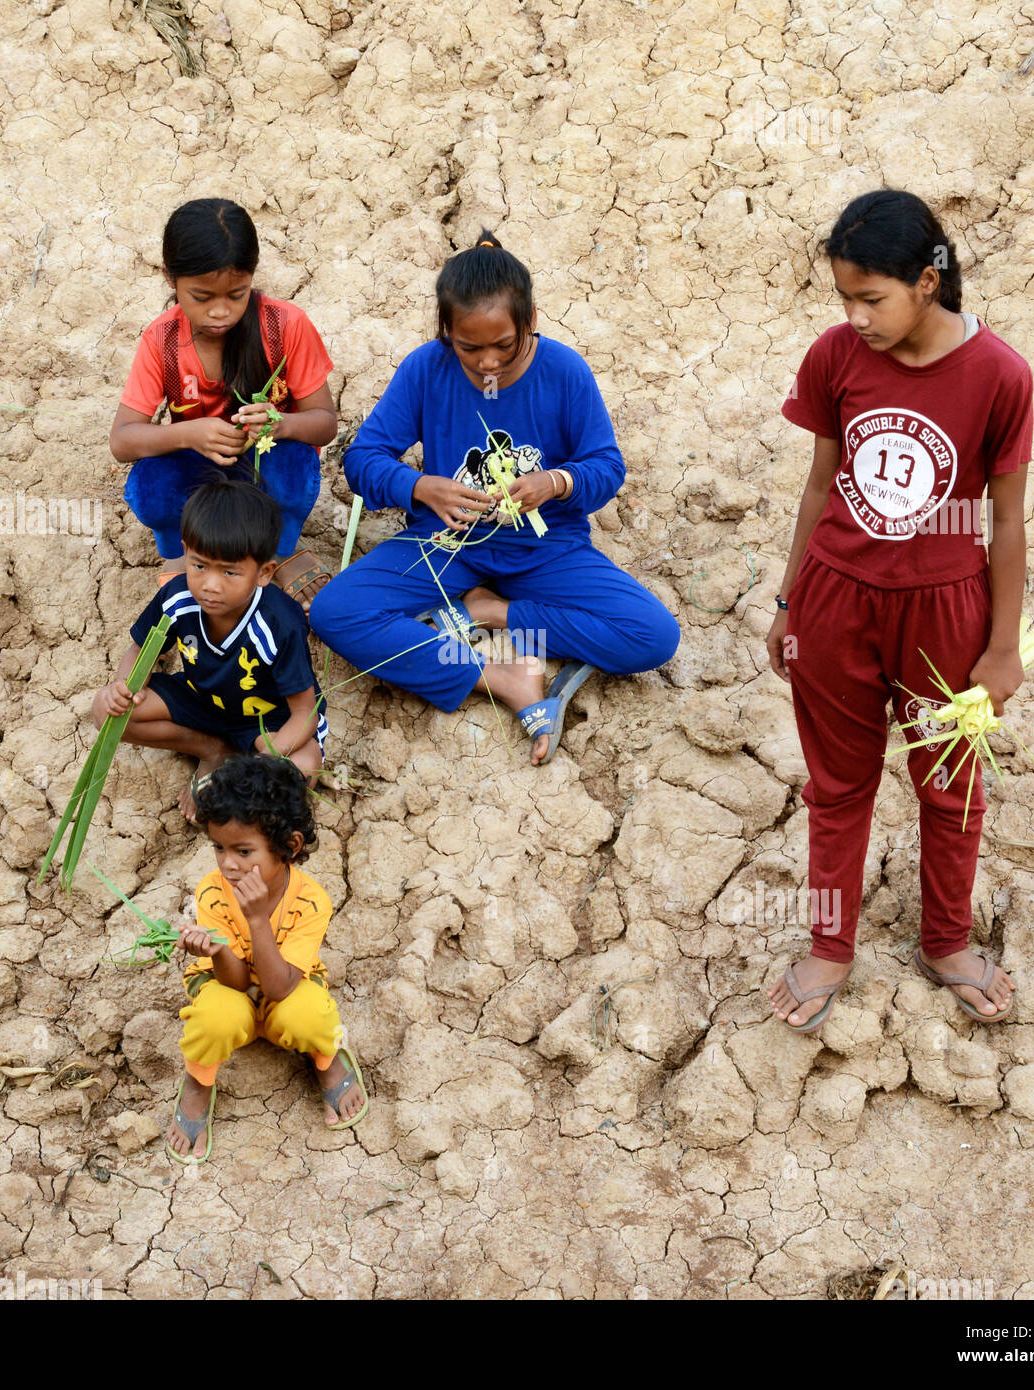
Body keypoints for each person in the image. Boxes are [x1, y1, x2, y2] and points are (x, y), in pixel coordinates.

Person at [766, 189, 1032, 1032]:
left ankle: (946, 940)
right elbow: (820, 484)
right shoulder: (835, 357)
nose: (856, 315)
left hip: (947, 613)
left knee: (949, 786)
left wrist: (1000, 647)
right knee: (836, 786)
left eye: (871, 297)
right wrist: (788, 599)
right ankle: (830, 944)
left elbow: (1008, 518)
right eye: (843, 297)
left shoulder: (999, 375)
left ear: (928, 281)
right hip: (835, 601)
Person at [309, 230, 680, 765]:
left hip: (548, 551)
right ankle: (495, 675)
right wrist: (418, 486)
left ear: (530, 321)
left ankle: (491, 611)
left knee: (651, 636)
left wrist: (553, 483)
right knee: (337, 613)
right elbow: (362, 460)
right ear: (445, 333)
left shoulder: (564, 371)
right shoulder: (425, 369)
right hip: (447, 542)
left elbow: (606, 467)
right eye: (469, 347)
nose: (487, 363)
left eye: (503, 345)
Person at [111, 197, 337, 581]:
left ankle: (276, 551)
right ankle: (183, 554)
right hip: (195, 467)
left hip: (266, 461)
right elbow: (122, 441)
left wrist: (280, 424)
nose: (220, 311)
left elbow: (325, 423)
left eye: (237, 294)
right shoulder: (161, 340)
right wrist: (189, 434)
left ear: (251, 278)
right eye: (202, 297)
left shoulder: (286, 326)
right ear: (171, 279)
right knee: (151, 486)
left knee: (295, 472)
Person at [165, 755, 367, 1163]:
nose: (228, 863)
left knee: (311, 1015)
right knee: (214, 1018)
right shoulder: (214, 890)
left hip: (284, 988)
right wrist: (217, 950)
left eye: (243, 850)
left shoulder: (311, 900)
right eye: (219, 848)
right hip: (230, 987)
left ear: (289, 846)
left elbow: (280, 987)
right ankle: (199, 1082)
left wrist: (257, 919)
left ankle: (325, 1060)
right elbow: (235, 985)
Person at [91, 479, 326, 822]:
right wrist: (126, 686)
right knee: (105, 711)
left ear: (264, 573)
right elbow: (140, 649)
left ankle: (235, 768)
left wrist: (263, 760)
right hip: (204, 700)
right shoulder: (178, 596)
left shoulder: (280, 623)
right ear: (185, 551)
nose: (210, 585)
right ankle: (213, 749)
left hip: (268, 721)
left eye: (230, 572)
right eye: (199, 566)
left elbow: (305, 710)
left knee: (303, 770)